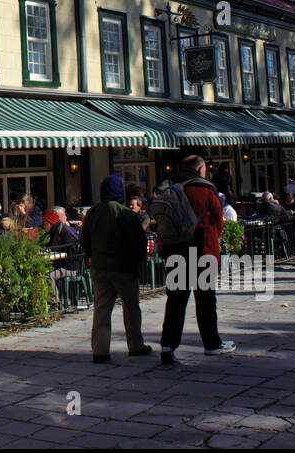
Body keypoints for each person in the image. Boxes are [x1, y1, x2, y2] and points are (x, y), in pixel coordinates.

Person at [158, 156, 235, 364]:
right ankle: (211, 343)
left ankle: (168, 345)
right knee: (205, 300)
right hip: (202, 249)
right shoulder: (205, 188)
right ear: (201, 168)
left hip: (175, 250)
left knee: (175, 300)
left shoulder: (168, 186)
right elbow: (219, 221)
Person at [81, 174, 149, 362]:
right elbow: (139, 241)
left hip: (100, 268)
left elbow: (84, 240)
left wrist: (92, 255)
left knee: (102, 309)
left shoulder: (93, 213)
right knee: (131, 308)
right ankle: (135, 345)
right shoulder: (126, 213)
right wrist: (139, 260)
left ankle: (100, 350)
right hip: (124, 267)